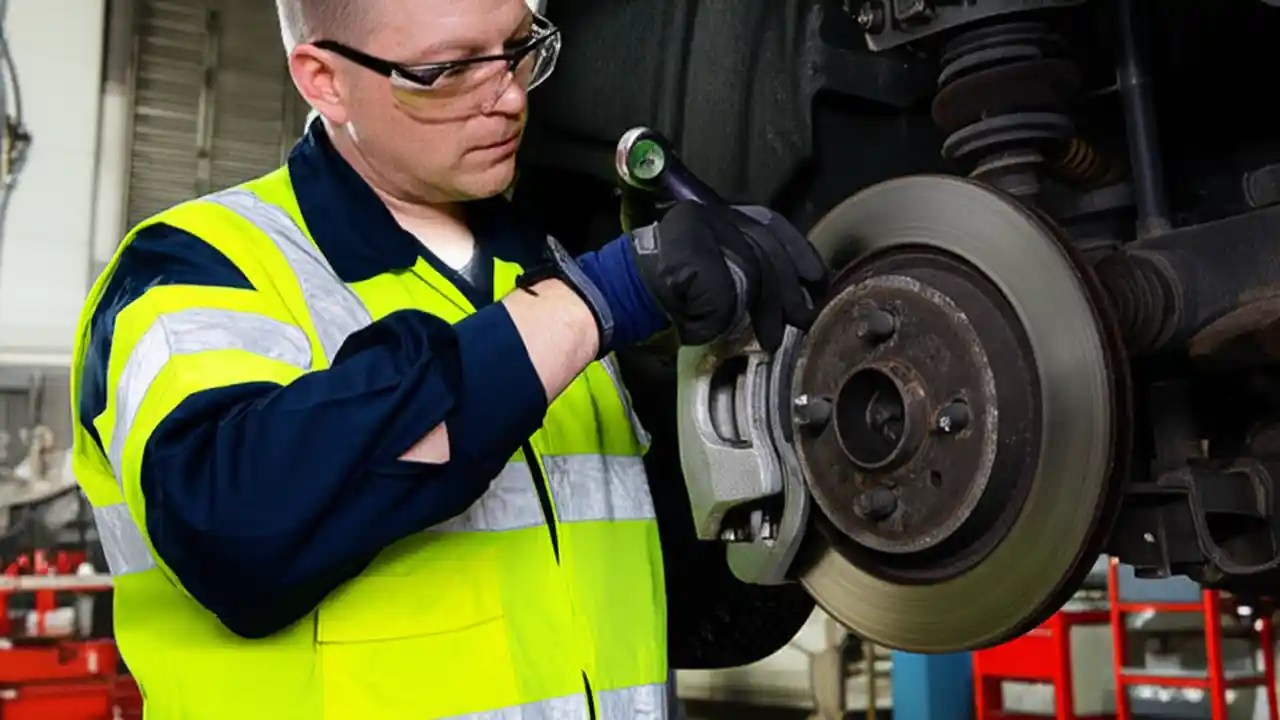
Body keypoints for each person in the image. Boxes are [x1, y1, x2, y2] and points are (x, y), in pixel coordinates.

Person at [68, 0, 827, 718]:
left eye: (520, 47)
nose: (507, 98)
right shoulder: (193, 268)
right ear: (323, 79)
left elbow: (663, 587)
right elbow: (235, 526)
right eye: (447, 71)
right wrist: (594, 301)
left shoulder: (544, 264)